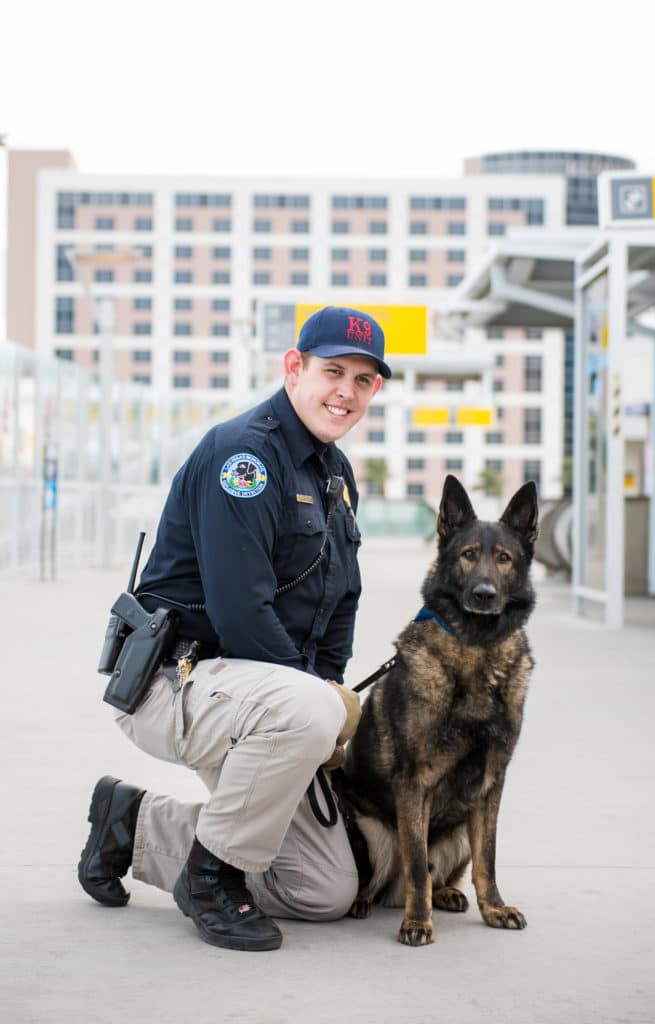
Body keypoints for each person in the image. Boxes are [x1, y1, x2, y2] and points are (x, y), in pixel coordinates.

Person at [78, 305, 392, 952]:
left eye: (363, 380)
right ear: (294, 367)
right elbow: (241, 613)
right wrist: (321, 708)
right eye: (333, 372)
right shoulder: (243, 456)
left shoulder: (334, 473)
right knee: (311, 709)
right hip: (177, 683)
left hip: (260, 700)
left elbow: (341, 601)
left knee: (321, 891)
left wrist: (324, 695)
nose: (346, 392)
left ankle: (131, 824)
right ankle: (210, 880)